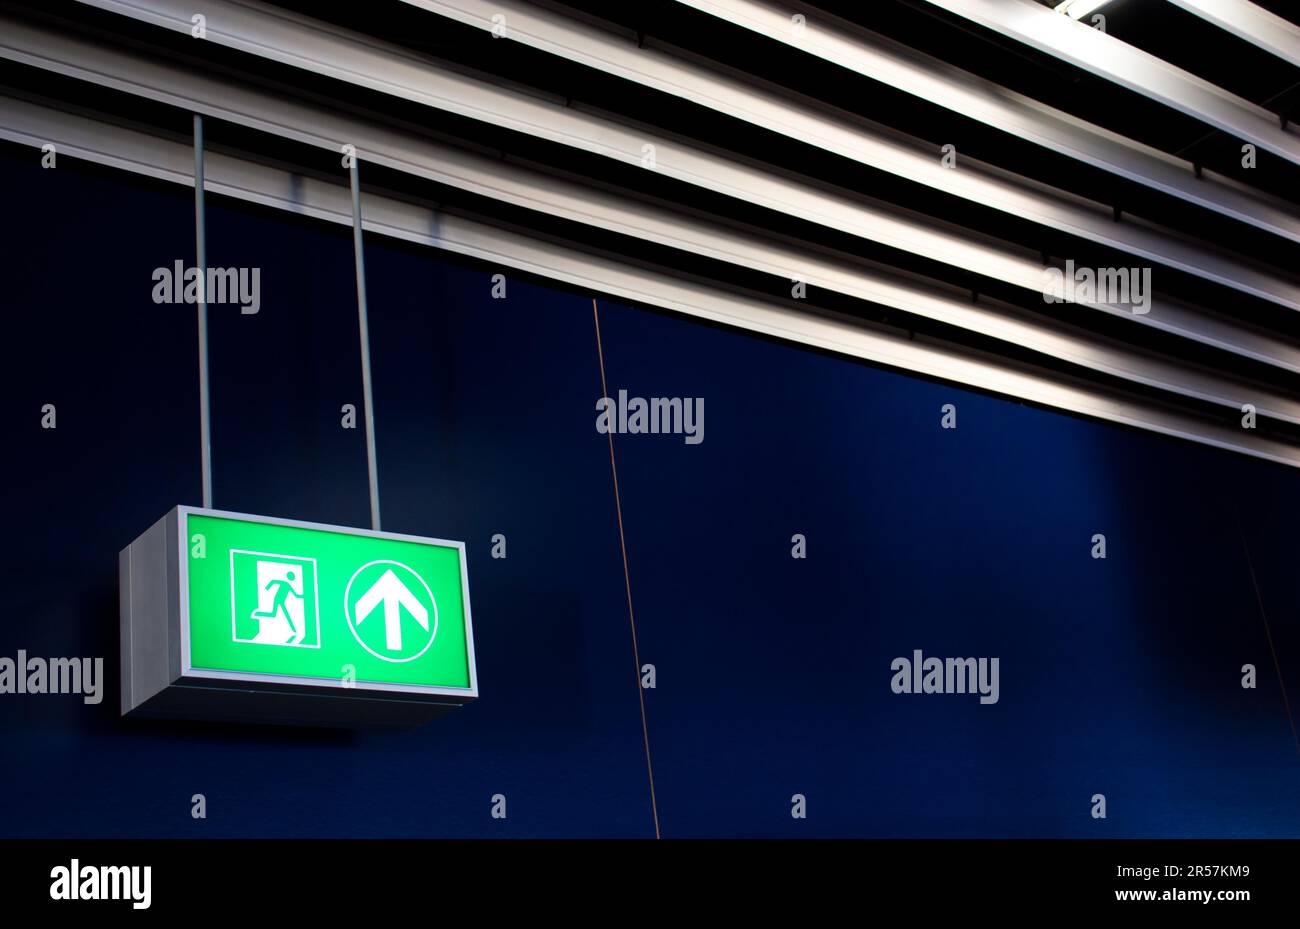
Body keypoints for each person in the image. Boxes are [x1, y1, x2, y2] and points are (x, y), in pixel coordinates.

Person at [253, 570, 301, 635]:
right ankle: (293, 629)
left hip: (281, 601)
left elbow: (296, 595)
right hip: (277, 599)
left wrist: (304, 596)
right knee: (283, 614)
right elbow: (273, 581)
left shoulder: (289, 586)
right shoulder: (284, 583)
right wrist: (268, 587)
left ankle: (258, 613)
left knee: (273, 614)